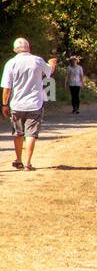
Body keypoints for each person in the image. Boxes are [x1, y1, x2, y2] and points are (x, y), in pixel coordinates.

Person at [1, 38, 57, 171]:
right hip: (34, 103)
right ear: (29, 48)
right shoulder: (37, 60)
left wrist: (4, 104)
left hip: (17, 104)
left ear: (15, 49)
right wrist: (52, 63)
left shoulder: (11, 63)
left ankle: (19, 160)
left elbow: (6, 88)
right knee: (31, 134)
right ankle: (28, 163)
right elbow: (50, 72)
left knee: (18, 133)